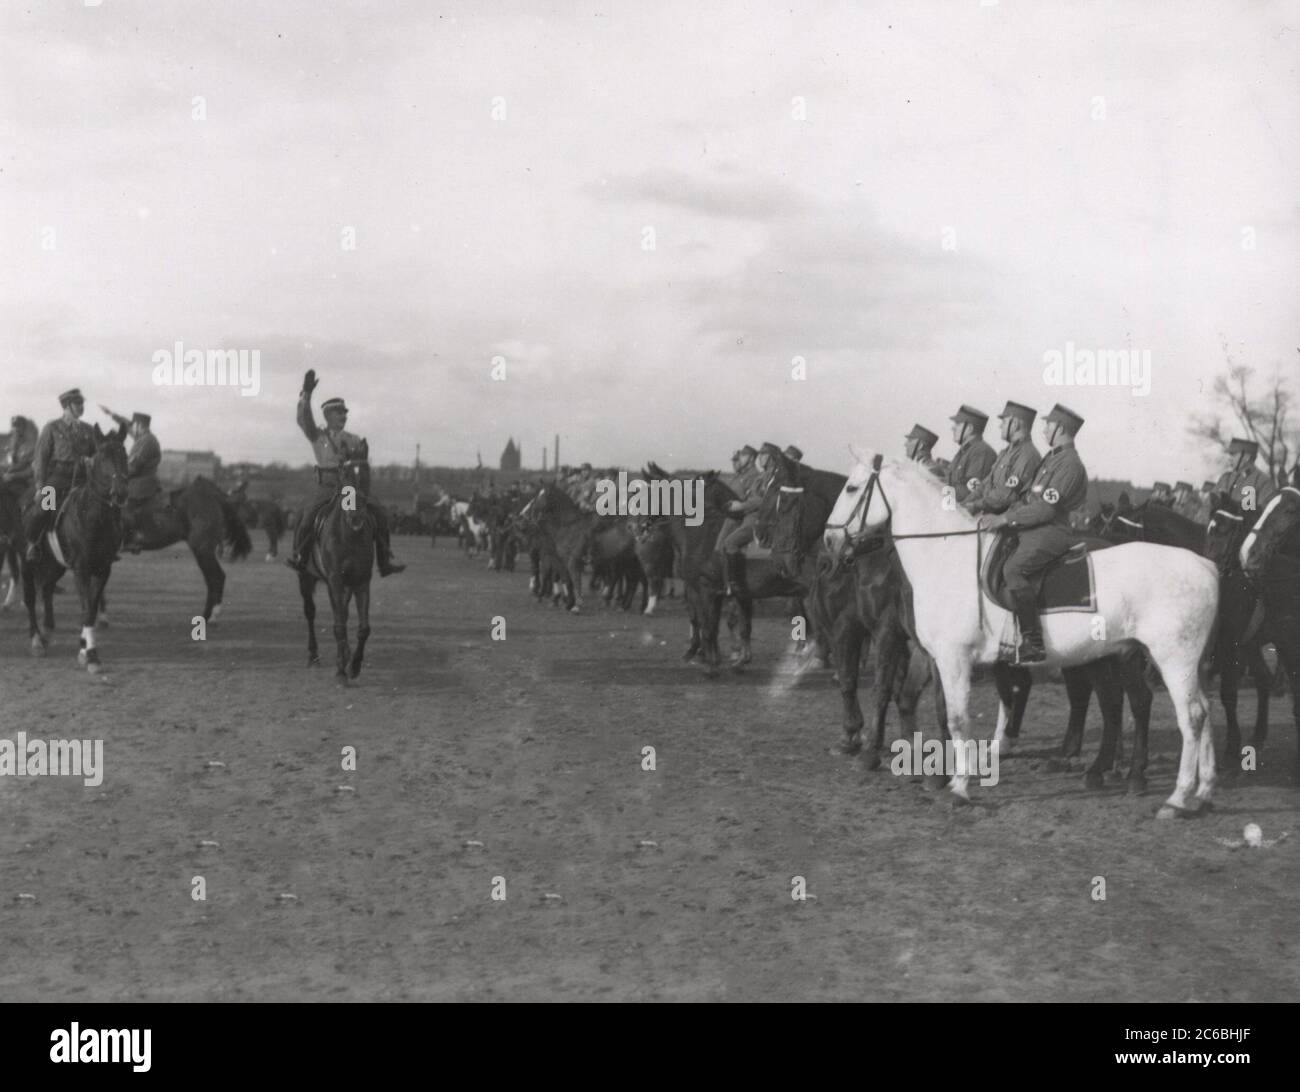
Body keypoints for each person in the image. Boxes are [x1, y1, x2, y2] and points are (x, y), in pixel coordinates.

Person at [978, 404, 1089, 664]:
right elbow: (1029, 498)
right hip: (1032, 525)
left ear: (1060, 428)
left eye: (1049, 424)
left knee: (1013, 569)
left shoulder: (1070, 464)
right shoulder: (1052, 458)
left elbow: (1046, 509)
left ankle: (1033, 641)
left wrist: (1005, 518)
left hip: (1052, 530)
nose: (1045, 428)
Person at [285, 370, 404, 576]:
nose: (344, 416)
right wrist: (306, 394)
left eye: (345, 413)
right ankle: (301, 557)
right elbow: (303, 419)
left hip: (349, 489)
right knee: (306, 518)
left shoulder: (355, 439)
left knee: (378, 515)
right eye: (339, 413)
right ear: (328, 416)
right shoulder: (317, 435)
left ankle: (384, 561)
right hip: (327, 487)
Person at [24, 389, 97, 560]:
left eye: (82, 404)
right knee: (43, 509)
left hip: (83, 479)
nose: (81, 407)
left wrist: (92, 460)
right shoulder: (52, 428)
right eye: (77, 404)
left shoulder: (89, 429)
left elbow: (97, 454)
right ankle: (32, 545)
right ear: (67, 406)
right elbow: (41, 459)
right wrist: (41, 487)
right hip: (57, 479)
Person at [101, 407, 163, 549]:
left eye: (133, 425)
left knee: (119, 506)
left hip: (141, 485)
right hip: (140, 482)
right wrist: (112, 414)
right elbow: (127, 425)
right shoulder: (143, 437)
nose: (131, 428)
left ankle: (129, 541)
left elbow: (133, 467)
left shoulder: (146, 442)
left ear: (139, 426)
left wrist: (116, 474)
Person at [965, 401, 1041, 516]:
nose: (1000, 426)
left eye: (1004, 422)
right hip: (986, 514)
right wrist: (966, 502)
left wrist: (976, 505)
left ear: (1014, 424)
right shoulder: (1006, 452)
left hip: (1001, 522)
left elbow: (1007, 495)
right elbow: (985, 483)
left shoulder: (1027, 455)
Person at [718, 444, 766, 597]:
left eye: (743, 456)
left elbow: (756, 500)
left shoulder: (754, 476)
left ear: (751, 458)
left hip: (744, 517)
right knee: (719, 547)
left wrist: (740, 506)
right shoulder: (740, 475)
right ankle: (725, 583)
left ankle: (732, 584)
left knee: (727, 545)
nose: (739, 459)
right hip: (733, 515)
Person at [945, 405, 997, 504]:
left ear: (969, 428)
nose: (953, 427)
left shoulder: (981, 451)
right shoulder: (966, 450)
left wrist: (940, 493)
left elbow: (969, 491)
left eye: (957, 423)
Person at [1213, 438, 1278, 516]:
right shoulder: (1225, 478)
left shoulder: (1263, 482)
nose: (1229, 459)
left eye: (1233, 455)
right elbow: (1210, 507)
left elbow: (1266, 515)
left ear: (1246, 457)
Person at [2, 414, 39, 499]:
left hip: (27, 483)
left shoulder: (32, 447)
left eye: (19, 427)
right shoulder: (12, 447)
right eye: (14, 427)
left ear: (24, 428)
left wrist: (13, 476)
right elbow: (7, 465)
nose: (16, 430)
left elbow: (32, 471)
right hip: (11, 480)